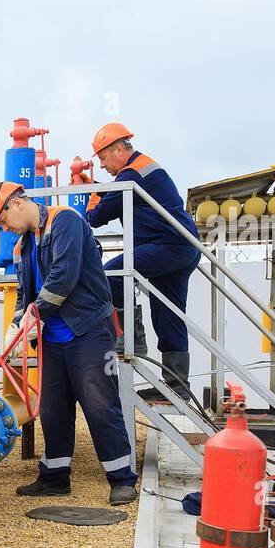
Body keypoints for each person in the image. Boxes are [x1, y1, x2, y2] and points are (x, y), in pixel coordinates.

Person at [0, 181, 138, 506]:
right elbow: (26, 294)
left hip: (88, 331)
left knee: (99, 403)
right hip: (53, 337)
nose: (5, 229)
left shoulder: (65, 221)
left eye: (3, 222)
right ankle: (54, 477)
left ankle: (122, 478)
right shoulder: (24, 246)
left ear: (15, 205)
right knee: (53, 408)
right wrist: (16, 324)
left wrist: (34, 315)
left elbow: (63, 277)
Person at [84, 122, 201, 401]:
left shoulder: (131, 174)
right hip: (181, 245)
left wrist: (89, 196)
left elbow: (97, 217)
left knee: (109, 275)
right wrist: (99, 190)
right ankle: (177, 386)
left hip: (167, 245)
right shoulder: (141, 168)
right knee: (167, 312)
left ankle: (131, 337)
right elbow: (112, 199)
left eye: (102, 157)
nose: (102, 165)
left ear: (118, 149)